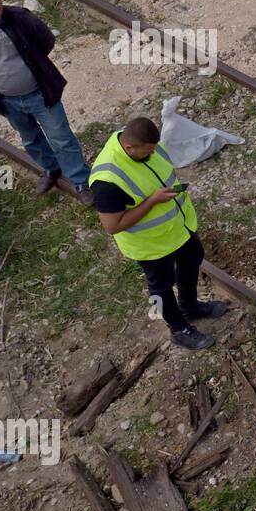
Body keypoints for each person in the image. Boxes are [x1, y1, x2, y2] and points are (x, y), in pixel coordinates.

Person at [89, 116, 228, 350]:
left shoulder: (152, 147)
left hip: (177, 229)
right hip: (150, 244)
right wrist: (152, 201)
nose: (152, 155)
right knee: (161, 287)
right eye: (147, 152)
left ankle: (190, 307)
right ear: (129, 147)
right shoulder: (107, 180)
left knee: (193, 258)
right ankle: (178, 329)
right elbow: (112, 225)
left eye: (154, 150)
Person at [0, 0, 93, 204]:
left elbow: (46, 41)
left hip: (40, 93)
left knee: (61, 138)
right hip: (8, 100)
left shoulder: (20, 17)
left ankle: (80, 181)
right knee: (30, 139)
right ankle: (50, 168)